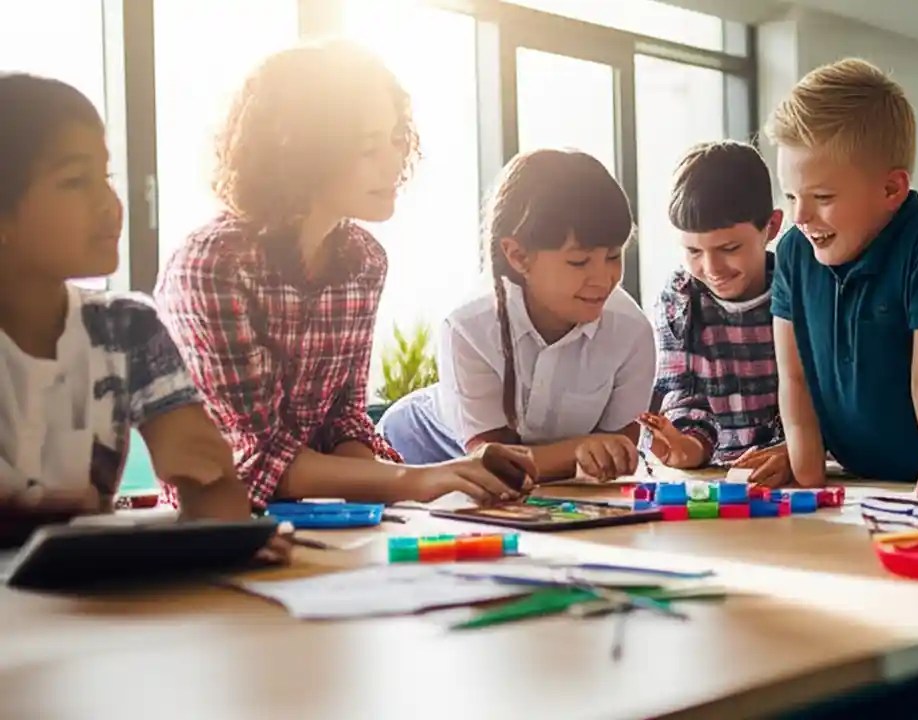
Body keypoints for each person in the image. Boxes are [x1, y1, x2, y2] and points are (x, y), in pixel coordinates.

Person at [156, 42, 532, 510]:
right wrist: (420, 480)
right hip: (221, 523)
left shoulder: (363, 260)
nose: (394, 161)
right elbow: (257, 459)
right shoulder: (214, 264)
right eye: (368, 147)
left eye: (396, 139)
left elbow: (343, 422)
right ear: (302, 153)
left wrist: (412, 486)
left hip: (324, 515)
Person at [0, 73, 283, 559]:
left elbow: (212, 487)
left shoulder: (124, 329)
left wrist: (219, 534)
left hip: (87, 606)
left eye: (105, 178)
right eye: (74, 182)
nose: (110, 206)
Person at [767, 58, 918, 488]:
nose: (801, 215)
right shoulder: (793, 252)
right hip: (864, 484)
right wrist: (809, 489)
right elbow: (796, 378)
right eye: (791, 195)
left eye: (822, 196)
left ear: (891, 189)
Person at [379, 149, 656, 483]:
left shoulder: (631, 331)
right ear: (518, 255)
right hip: (420, 451)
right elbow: (492, 464)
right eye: (579, 262)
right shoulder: (470, 326)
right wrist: (580, 450)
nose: (604, 279)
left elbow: (617, 454)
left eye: (613, 256)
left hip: (539, 477)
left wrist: (594, 453)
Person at [639, 140, 791, 486]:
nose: (711, 267)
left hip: (798, 469)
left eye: (729, 248)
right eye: (693, 250)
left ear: (772, 226)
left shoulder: (801, 289)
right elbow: (682, 392)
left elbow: (817, 394)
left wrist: (794, 449)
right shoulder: (679, 301)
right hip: (712, 478)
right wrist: (686, 446)